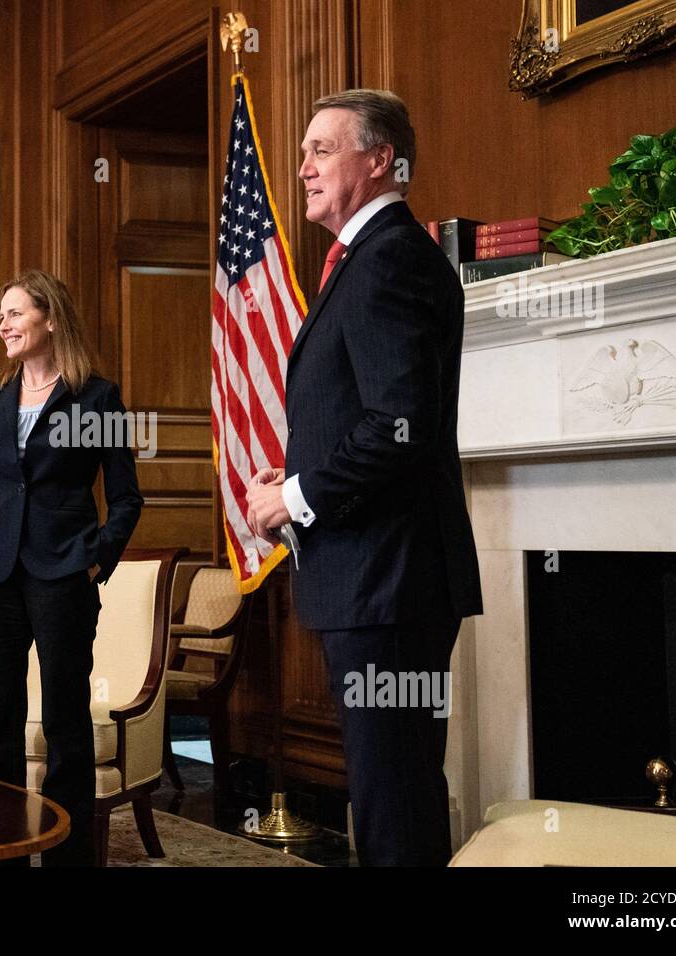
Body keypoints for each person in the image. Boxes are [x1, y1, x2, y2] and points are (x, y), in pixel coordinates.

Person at [245, 89, 483, 866]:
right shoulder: (363, 260)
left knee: (395, 805)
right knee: (389, 798)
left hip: (391, 582)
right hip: (372, 579)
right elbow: (372, 418)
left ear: (380, 158)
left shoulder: (390, 259)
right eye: (305, 151)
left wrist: (294, 496)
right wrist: (294, 475)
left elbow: (398, 427)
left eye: (322, 149)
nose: (304, 167)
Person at [0, 268, 143, 867]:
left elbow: (128, 497)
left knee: (64, 720)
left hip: (63, 575)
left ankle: (67, 855)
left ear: (50, 319)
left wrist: (96, 560)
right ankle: (3, 851)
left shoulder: (96, 397)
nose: (2, 324)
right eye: (0, 314)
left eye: (15, 313)